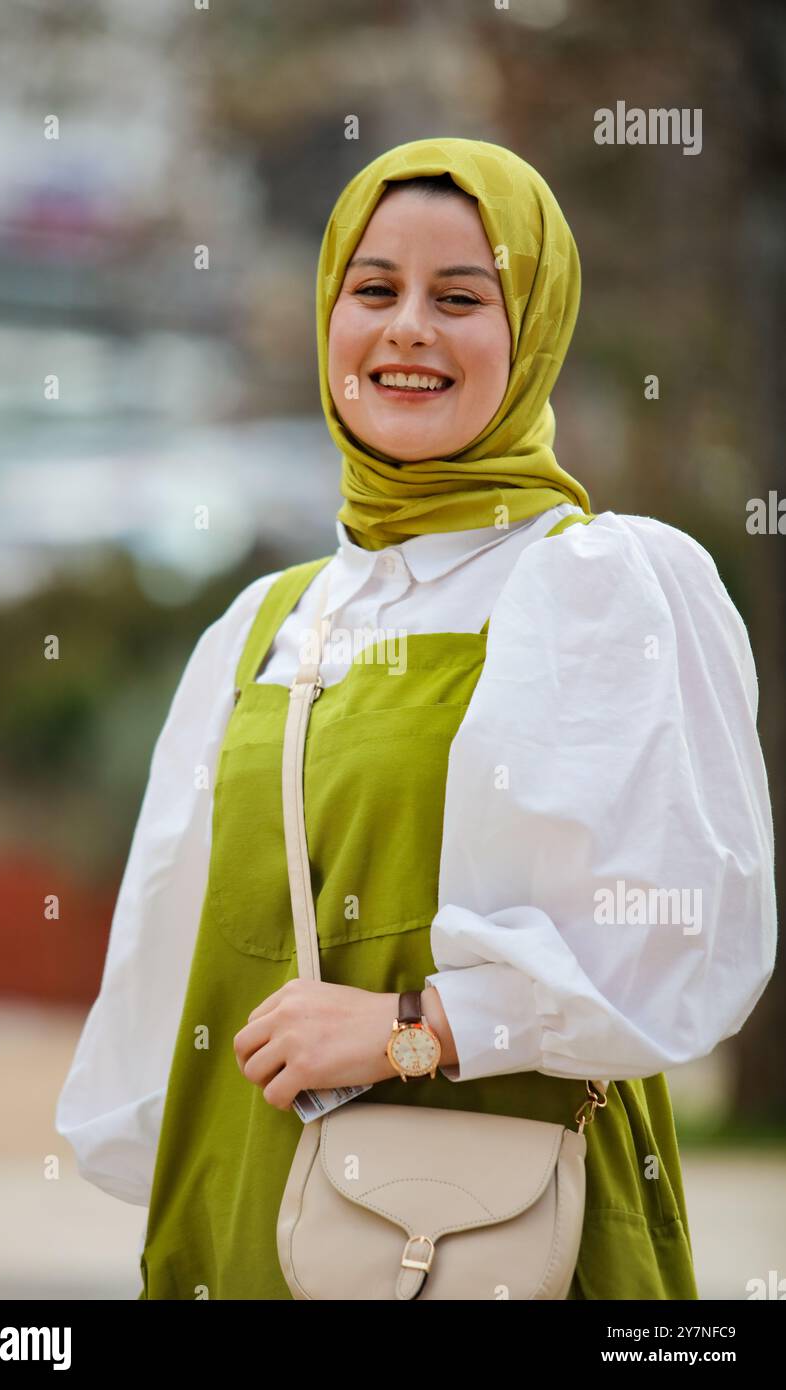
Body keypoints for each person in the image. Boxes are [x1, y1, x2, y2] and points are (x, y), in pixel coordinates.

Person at [55, 137, 777, 1301]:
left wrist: (416, 1025)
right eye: (373, 289)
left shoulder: (603, 585)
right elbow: (167, 963)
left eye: (459, 298)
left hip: (490, 1229)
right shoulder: (258, 624)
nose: (406, 330)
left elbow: (686, 933)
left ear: (531, 329)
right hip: (245, 1199)